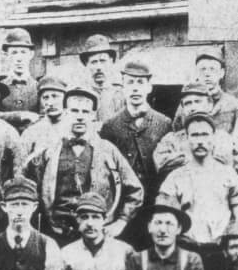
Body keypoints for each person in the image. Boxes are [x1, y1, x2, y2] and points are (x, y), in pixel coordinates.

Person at [22, 85, 143, 244]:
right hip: (57, 234)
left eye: (85, 112)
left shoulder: (107, 150)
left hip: (97, 234)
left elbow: (135, 190)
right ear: (65, 113)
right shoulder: (49, 151)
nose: (80, 117)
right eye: (74, 111)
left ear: (93, 115)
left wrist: (121, 221)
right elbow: (27, 186)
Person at [156, 109, 238, 270]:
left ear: (213, 137)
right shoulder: (175, 177)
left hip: (220, 252)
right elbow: (167, 221)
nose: (200, 141)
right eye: (194, 135)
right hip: (188, 252)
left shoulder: (228, 174)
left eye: (205, 135)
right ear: (187, 139)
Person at [99, 60, 172, 205]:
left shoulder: (164, 123)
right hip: (123, 202)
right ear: (123, 87)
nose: (135, 88)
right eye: (130, 82)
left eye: (140, 82)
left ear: (149, 87)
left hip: (155, 201)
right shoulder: (110, 126)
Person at [153, 83, 238, 180]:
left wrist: (183, 157)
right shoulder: (172, 139)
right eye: (188, 103)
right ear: (182, 108)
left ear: (209, 105)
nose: (193, 107)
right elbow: (160, 163)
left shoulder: (222, 137)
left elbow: (223, 160)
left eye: (197, 102)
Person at [172, 46, 238, 134]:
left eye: (212, 69)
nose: (207, 74)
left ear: (221, 73)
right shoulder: (186, 106)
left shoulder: (233, 105)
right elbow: (177, 135)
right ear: (196, 73)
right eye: (202, 69)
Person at [0, 29, 41, 133]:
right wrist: (19, 116)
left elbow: (45, 118)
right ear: (6, 56)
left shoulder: (39, 87)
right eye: (14, 53)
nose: (19, 58)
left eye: (23, 52)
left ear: (31, 54)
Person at [78, 35, 124, 123]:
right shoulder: (81, 95)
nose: (98, 67)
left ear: (111, 62)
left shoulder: (121, 94)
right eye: (94, 62)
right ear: (87, 65)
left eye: (103, 61)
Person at [20, 77, 70, 158]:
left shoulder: (73, 126)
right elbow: (21, 163)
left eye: (55, 96)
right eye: (45, 98)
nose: (50, 103)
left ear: (65, 100)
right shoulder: (31, 131)